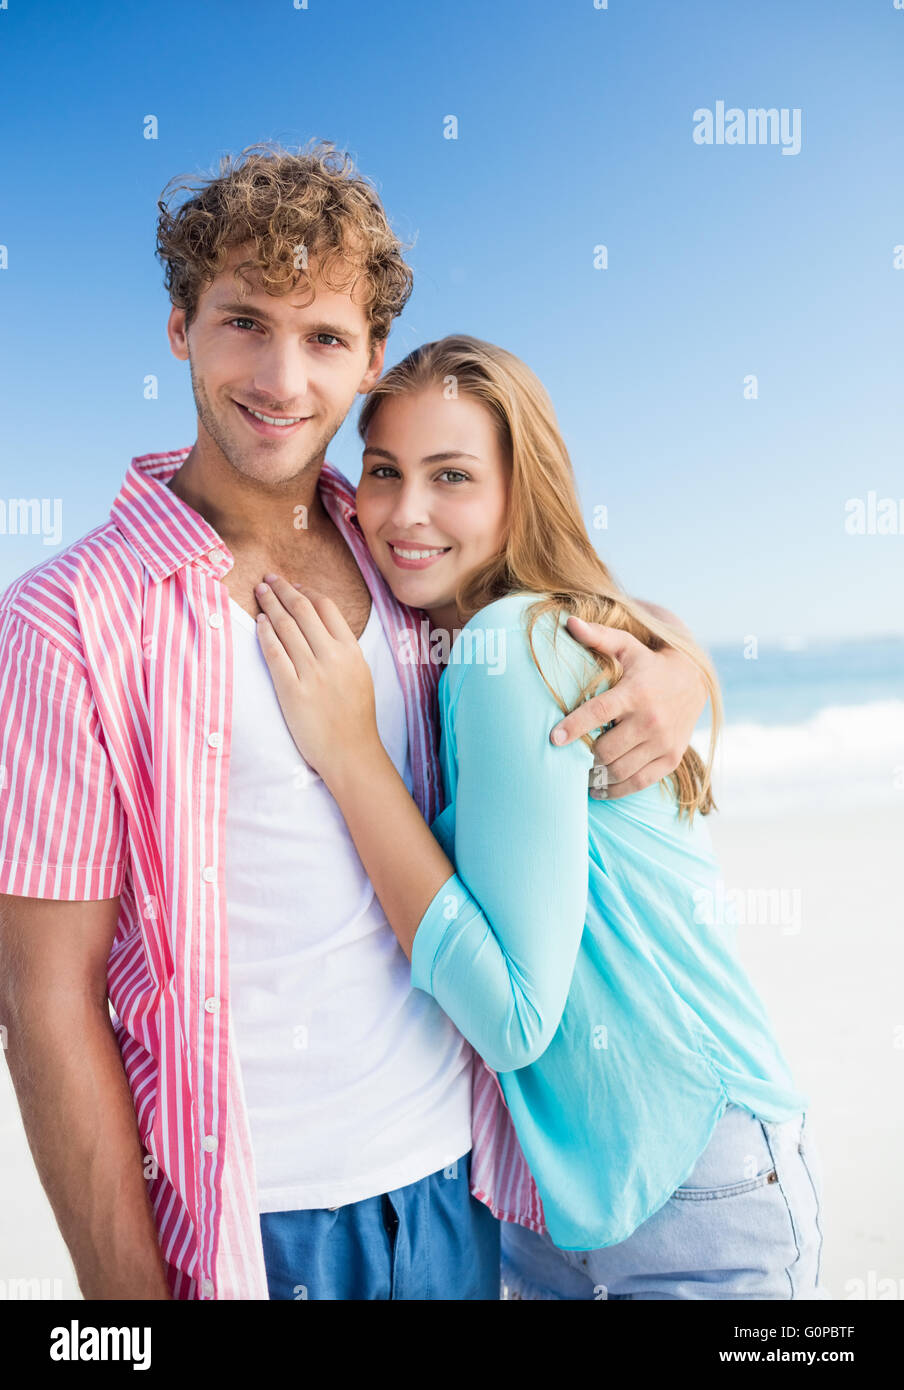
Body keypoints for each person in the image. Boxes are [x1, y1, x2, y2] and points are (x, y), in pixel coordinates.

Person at [0, 143, 710, 1301]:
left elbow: (562, 604)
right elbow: (43, 999)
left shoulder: (404, 551)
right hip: (254, 1225)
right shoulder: (63, 622)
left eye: (324, 337)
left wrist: (679, 668)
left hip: (461, 1187)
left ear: (372, 356)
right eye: (243, 322)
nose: (283, 376)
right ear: (180, 326)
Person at [253, 333, 827, 1300]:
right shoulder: (473, 643)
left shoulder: (509, 642)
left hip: (684, 1185)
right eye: (384, 472)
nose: (406, 513)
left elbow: (514, 1017)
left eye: (454, 476)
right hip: (568, 1198)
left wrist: (351, 757)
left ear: (524, 493)